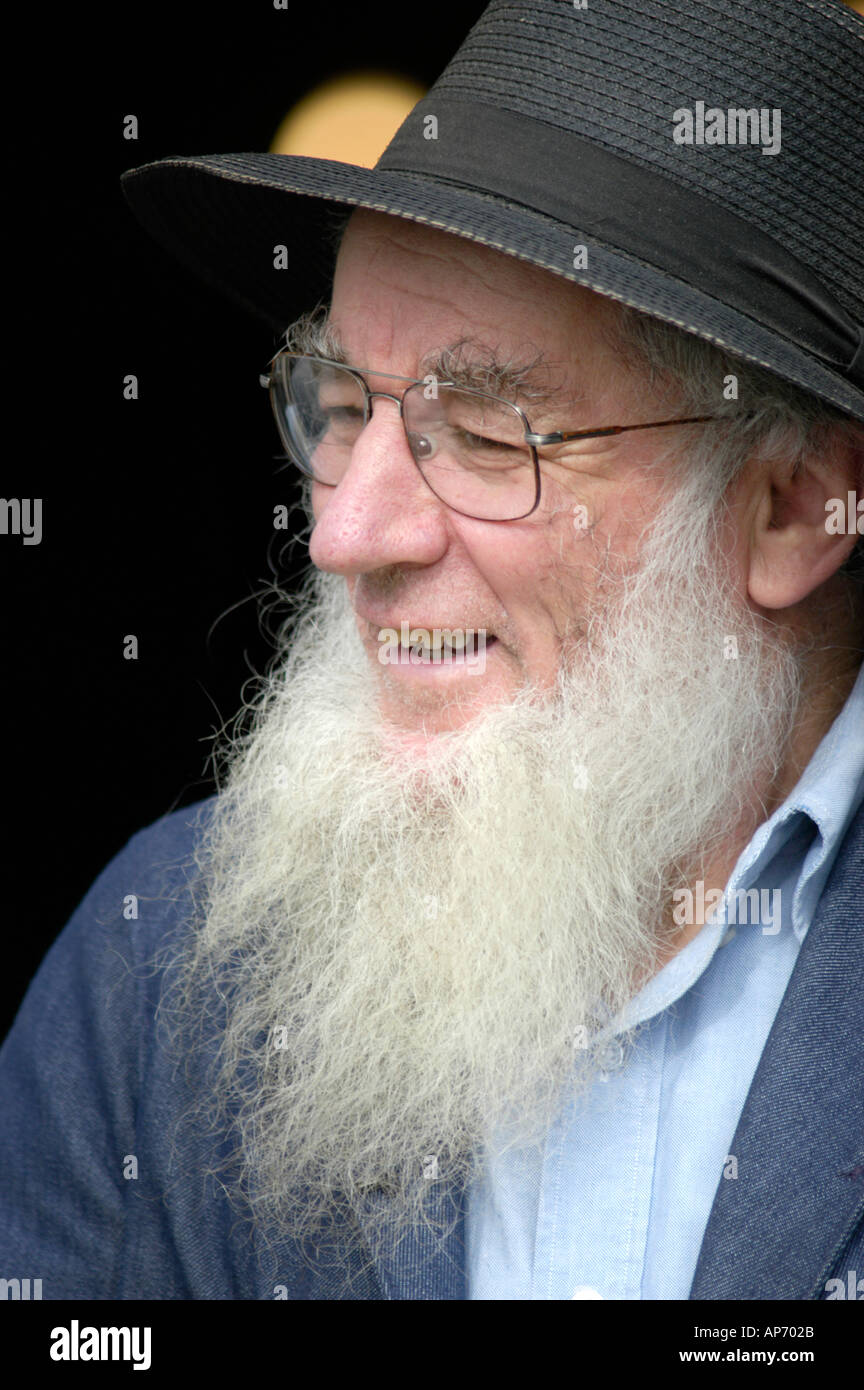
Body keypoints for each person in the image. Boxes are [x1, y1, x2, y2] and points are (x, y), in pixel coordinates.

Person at [2, 0, 862, 1301]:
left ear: (792, 508)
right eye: (343, 407)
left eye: (481, 431)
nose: (346, 531)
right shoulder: (147, 971)